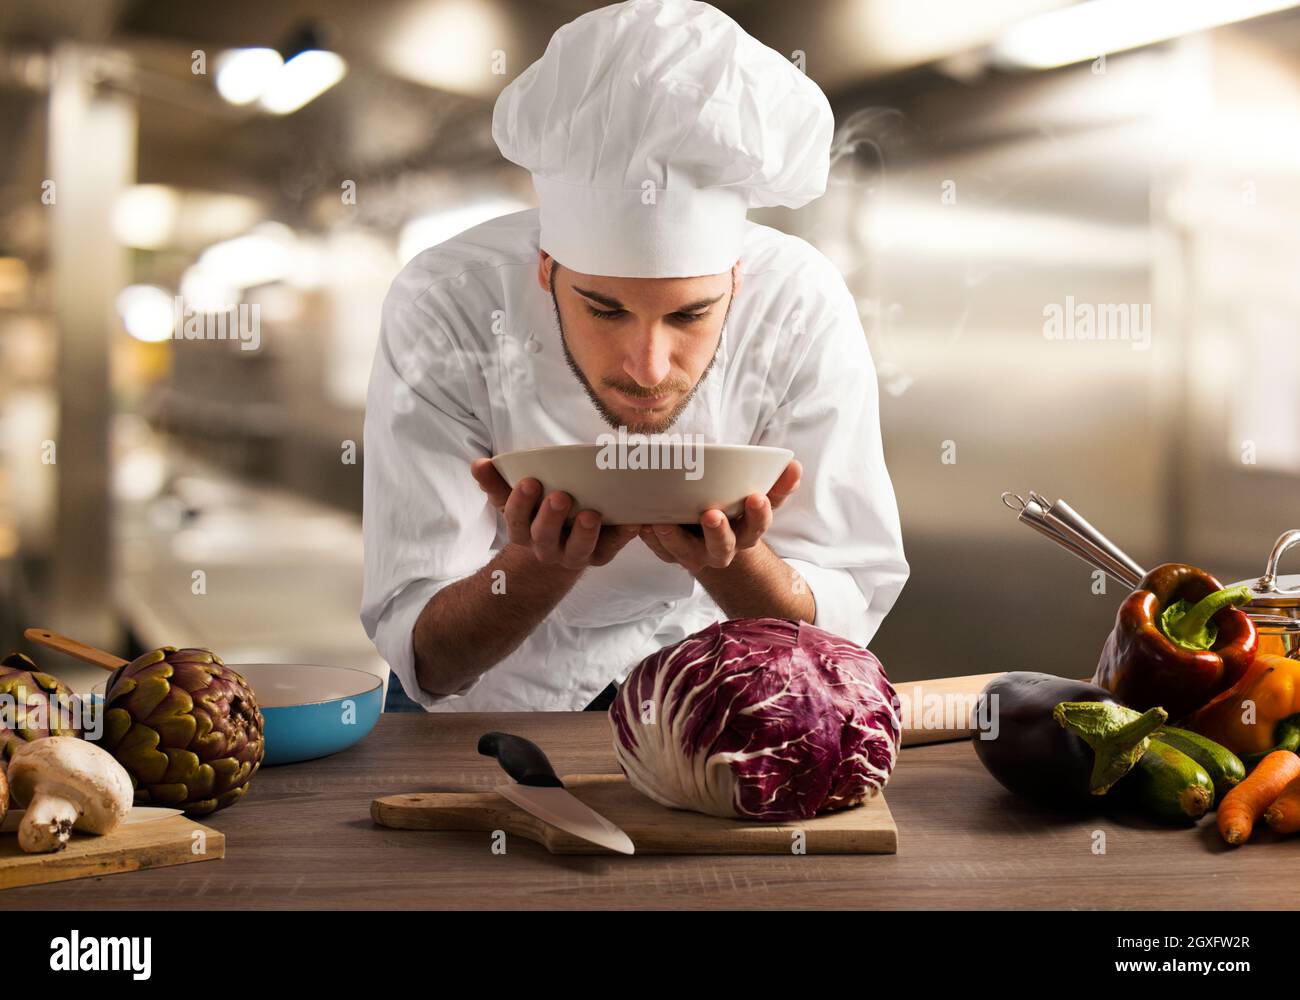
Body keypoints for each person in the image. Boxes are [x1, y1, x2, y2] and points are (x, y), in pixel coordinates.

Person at [361, 0, 908, 712]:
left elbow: (838, 637)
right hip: (492, 714)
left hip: (719, 704)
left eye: (690, 314)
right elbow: (426, 653)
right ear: (545, 268)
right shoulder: (445, 303)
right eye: (604, 310)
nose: (648, 367)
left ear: (736, 281)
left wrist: (739, 561)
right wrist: (536, 565)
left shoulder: (800, 303)